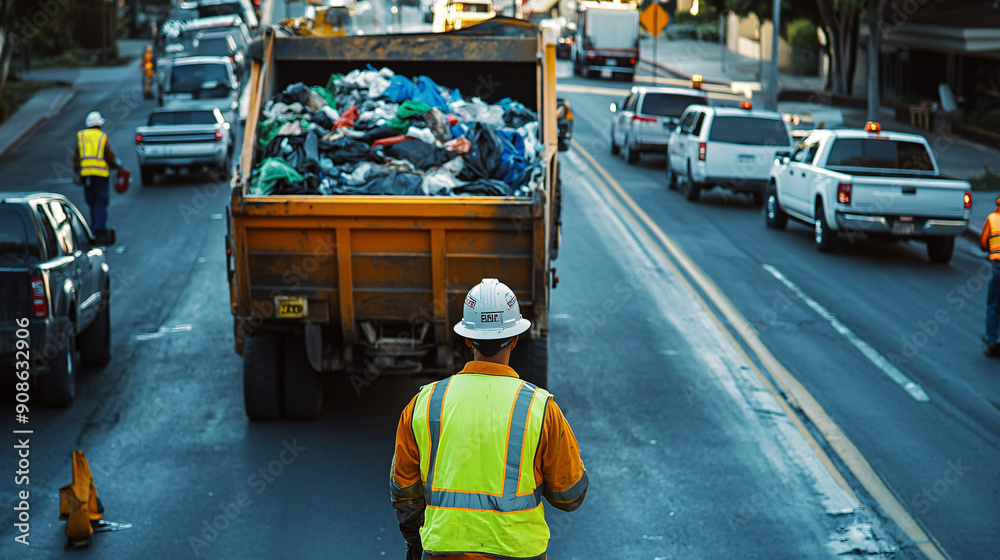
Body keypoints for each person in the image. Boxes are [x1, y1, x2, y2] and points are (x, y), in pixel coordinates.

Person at [390, 278, 588, 560]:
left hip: (443, 550)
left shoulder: (425, 403)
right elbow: (570, 495)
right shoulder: (540, 408)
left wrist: (415, 539)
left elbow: (404, 491)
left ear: (468, 339)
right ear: (516, 338)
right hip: (519, 552)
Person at [73, 111, 119, 232]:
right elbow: (109, 156)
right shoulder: (101, 136)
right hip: (100, 176)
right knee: (100, 202)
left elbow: (76, 157)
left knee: (91, 202)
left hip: (86, 176)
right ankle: (100, 230)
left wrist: (76, 171)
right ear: (99, 124)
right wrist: (116, 166)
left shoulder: (82, 136)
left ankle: (93, 228)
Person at [981, 195, 1000, 357]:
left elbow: (983, 243)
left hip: (998, 266)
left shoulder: (993, 219)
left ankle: (991, 339)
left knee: (993, 304)